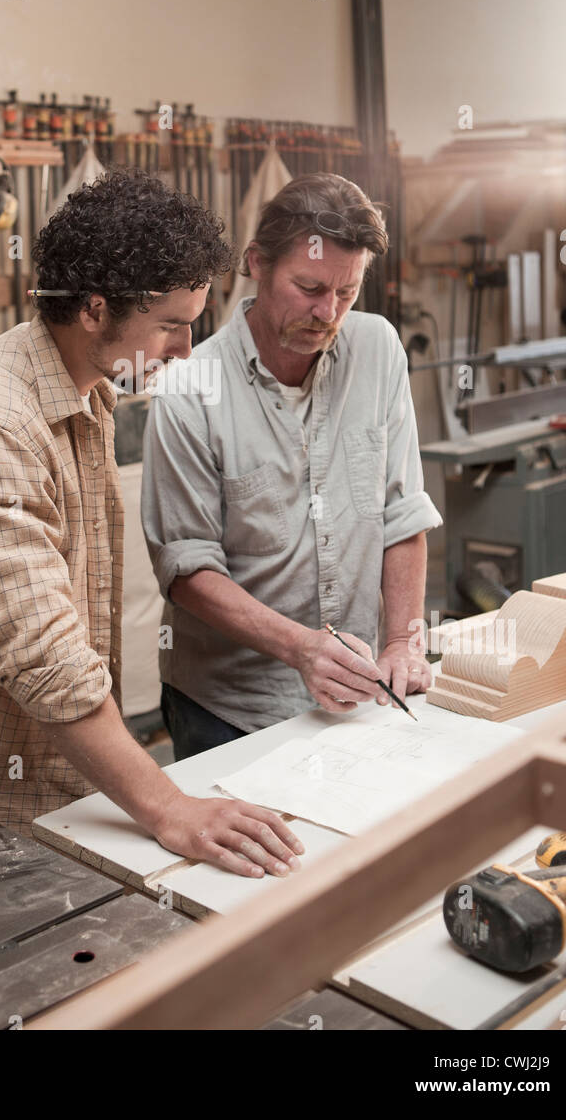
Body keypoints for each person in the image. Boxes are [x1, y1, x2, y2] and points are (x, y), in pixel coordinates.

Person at [0, 169, 305, 880]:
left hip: (67, 773)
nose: (184, 350)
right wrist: (168, 807)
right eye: (172, 325)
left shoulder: (85, 389)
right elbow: (44, 658)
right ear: (92, 309)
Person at [142, 173, 443, 760]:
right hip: (231, 710)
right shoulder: (188, 388)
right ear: (257, 264)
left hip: (356, 695)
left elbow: (402, 514)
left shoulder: (377, 349)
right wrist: (301, 648)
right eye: (308, 287)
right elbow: (186, 570)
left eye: (347, 293)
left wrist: (405, 641)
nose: (327, 312)